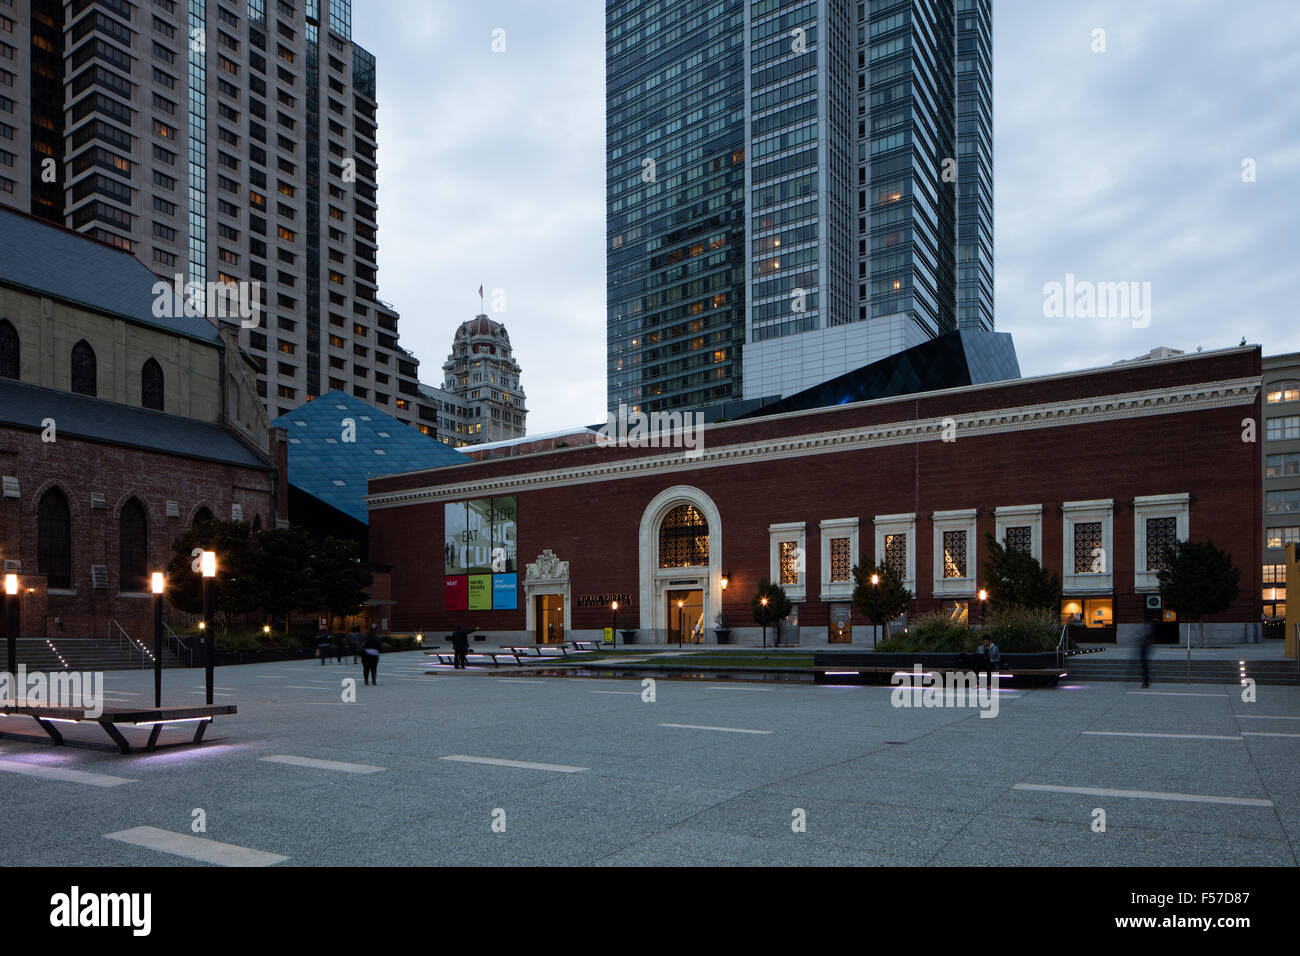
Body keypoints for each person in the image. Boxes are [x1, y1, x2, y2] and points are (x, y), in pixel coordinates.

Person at [1137, 619, 1155, 688]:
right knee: (1144, 665)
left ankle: (1146, 682)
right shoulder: (1148, 628)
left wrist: (1137, 636)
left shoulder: (1147, 628)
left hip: (1144, 647)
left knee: (1144, 665)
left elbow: (1143, 636)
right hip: (1144, 647)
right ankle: (1146, 681)